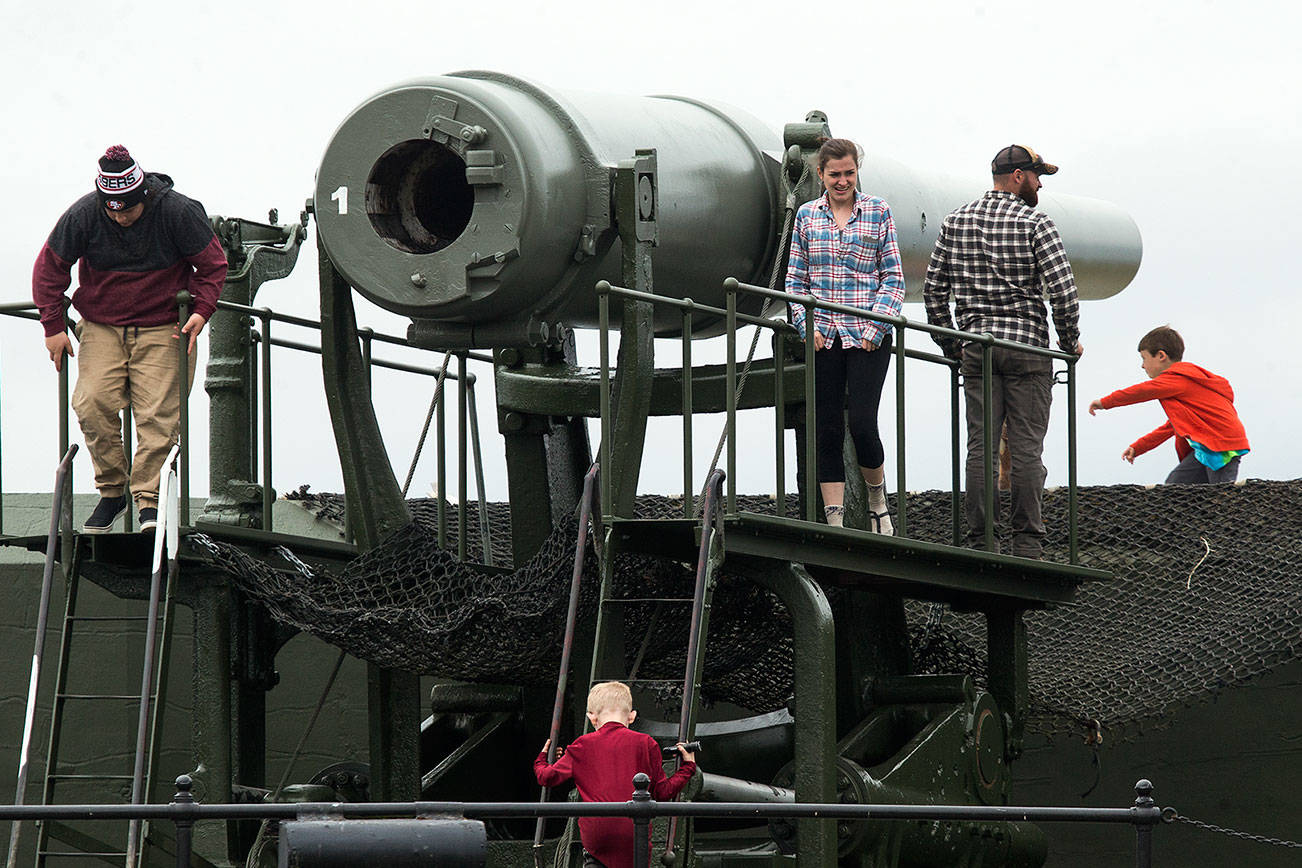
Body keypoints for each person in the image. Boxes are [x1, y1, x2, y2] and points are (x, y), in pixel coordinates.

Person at [33, 145, 226, 533]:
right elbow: (49, 269)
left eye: (127, 208)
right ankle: (111, 493)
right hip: (102, 325)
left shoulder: (177, 212)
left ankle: (150, 503)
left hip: (163, 325)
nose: (119, 216)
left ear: (142, 198)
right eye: (112, 209)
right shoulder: (84, 215)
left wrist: (202, 311)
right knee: (90, 404)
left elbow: (212, 265)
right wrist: (53, 326)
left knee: (158, 416)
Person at [922, 145, 1083, 559]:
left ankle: (983, 540)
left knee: (981, 446)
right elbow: (1064, 294)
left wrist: (952, 343)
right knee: (1027, 447)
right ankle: (1027, 542)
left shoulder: (953, 223)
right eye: (1036, 176)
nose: (1040, 183)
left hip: (978, 347)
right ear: (1017, 177)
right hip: (1027, 348)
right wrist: (1069, 342)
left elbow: (934, 293)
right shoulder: (1036, 222)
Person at [785, 138, 905, 532]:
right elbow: (795, 281)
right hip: (825, 336)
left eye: (849, 173)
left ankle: (877, 501)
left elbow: (893, 279)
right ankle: (834, 521)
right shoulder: (806, 216)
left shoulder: (878, 211)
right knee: (827, 428)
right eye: (834, 174)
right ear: (820, 174)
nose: (842, 181)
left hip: (867, 333)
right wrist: (808, 327)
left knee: (863, 424)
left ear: (857, 172)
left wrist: (876, 326)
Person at [534, 681, 697, 868]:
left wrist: (542, 758)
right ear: (632, 716)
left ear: (592, 718)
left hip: (597, 838)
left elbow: (546, 777)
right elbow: (662, 792)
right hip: (635, 834)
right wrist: (688, 767)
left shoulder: (581, 745)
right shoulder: (647, 743)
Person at [1088, 326, 1249, 483]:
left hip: (1220, 444)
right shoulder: (1184, 385)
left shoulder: (1177, 379)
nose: (1142, 366)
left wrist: (1104, 402)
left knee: (1221, 498)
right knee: (1175, 487)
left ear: (1161, 355)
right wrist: (1138, 447)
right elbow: (1170, 427)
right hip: (1205, 447)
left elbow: (1141, 391)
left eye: (1144, 358)